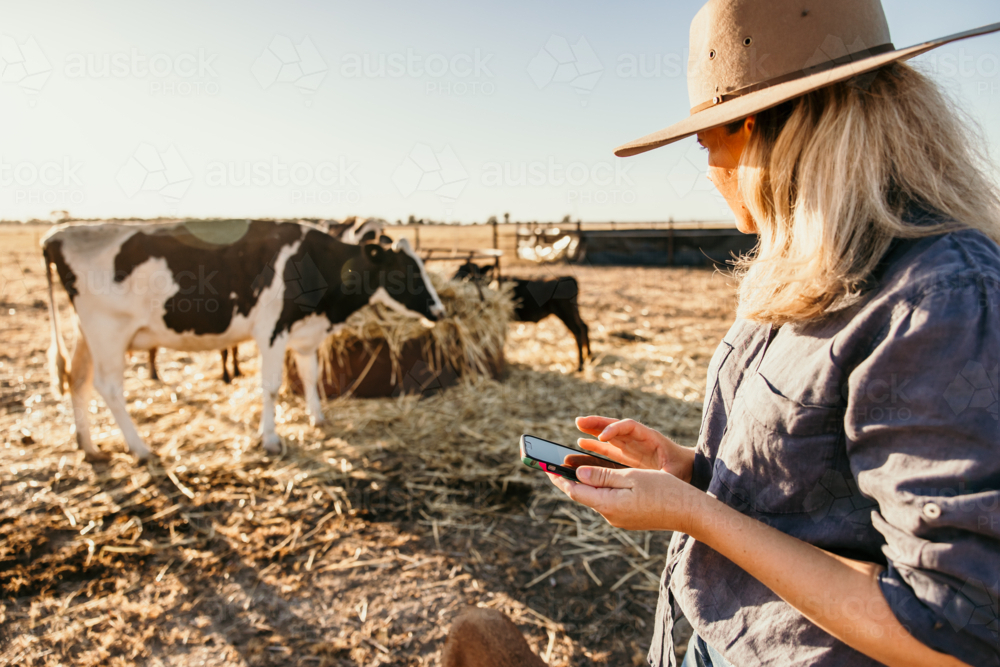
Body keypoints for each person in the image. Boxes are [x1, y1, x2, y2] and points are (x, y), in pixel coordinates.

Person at [439, 1, 1000, 666]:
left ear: (764, 132)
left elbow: (955, 631)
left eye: (710, 141)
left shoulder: (942, 300)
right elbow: (811, 489)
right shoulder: (803, 262)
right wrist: (689, 469)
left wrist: (694, 513)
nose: (706, 170)